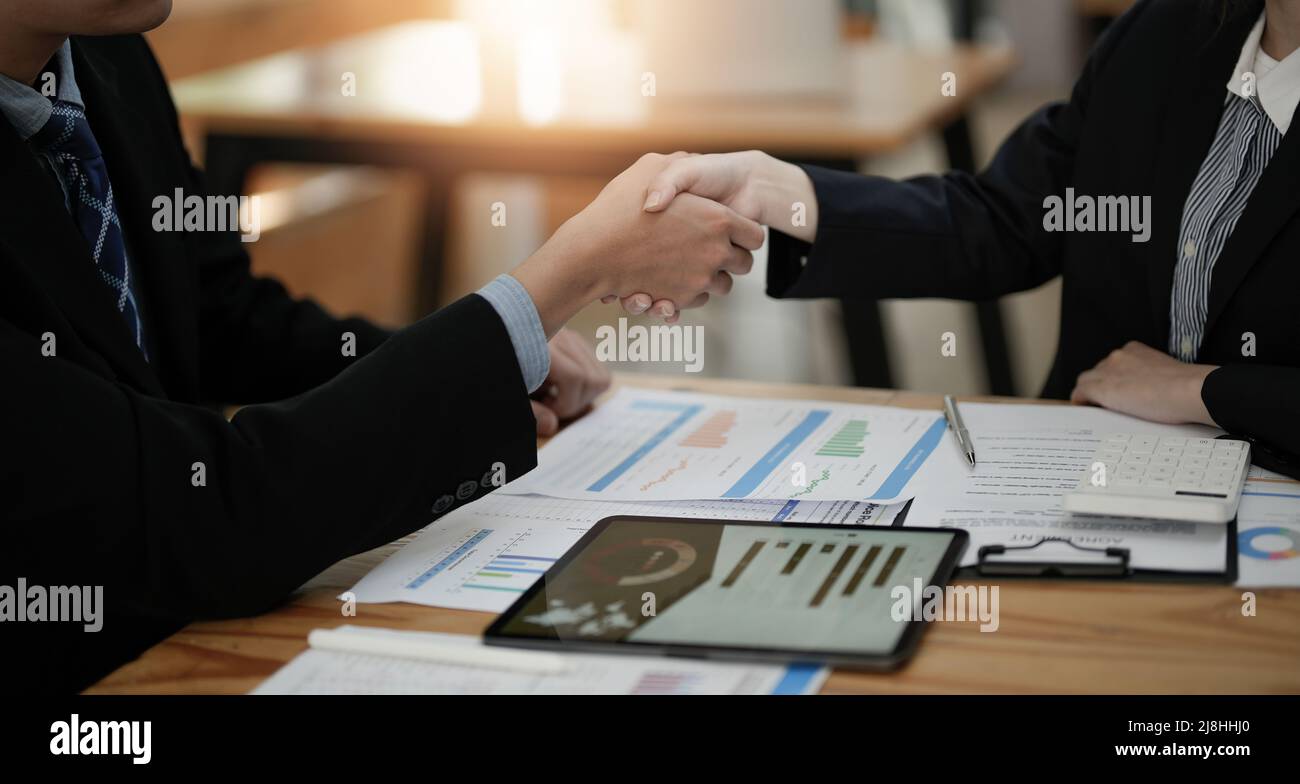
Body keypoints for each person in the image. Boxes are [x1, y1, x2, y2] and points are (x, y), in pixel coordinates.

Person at [0, 0, 763, 691]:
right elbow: (198, 519)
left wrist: (484, 361)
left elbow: (221, 318)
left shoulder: (105, 56)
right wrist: (559, 283)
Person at [620, 0, 1300, 466]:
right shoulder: (1167, 34)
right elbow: (1007, 219)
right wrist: (779, 192)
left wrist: (1204, 390)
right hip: (1088, 480)